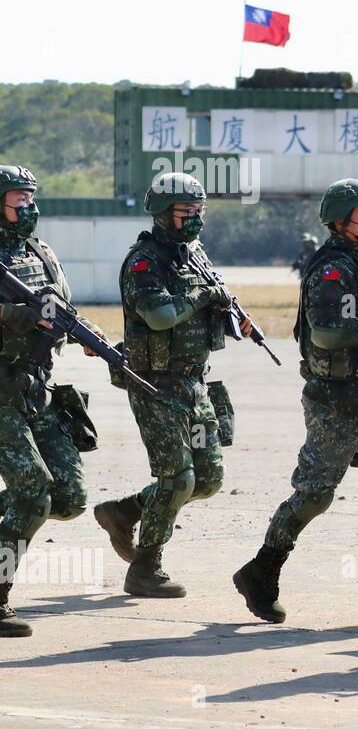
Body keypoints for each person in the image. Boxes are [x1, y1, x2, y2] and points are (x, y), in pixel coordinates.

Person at [232, 178, 358, 623]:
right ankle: (262, 571)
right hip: (336, 400)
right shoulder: (332, 270)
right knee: (315, 495)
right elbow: (325, 333)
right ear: (340, 223)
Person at [94, 173, 252, 598]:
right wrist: (204, 296)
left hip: (194, 382)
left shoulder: (194, 254)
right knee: (177, 478)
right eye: (187, 211)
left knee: (208, 478)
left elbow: (202, 307)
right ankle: (146, 568)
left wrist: (227, 316)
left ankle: (125, 511)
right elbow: (161, 316)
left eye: (200, 210)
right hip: (154, 383)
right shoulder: (145, 261)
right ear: (164, 214)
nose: (196, 218)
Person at [0, 166, 98, 636]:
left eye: (31, 199)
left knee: (70, 496)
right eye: (19, 199)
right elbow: (28, 314)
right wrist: (24, 316)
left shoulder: (41, 252)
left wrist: (86, 336)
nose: (29, 208)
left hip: (36, 388)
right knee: (33, 493)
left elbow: (61, 308)